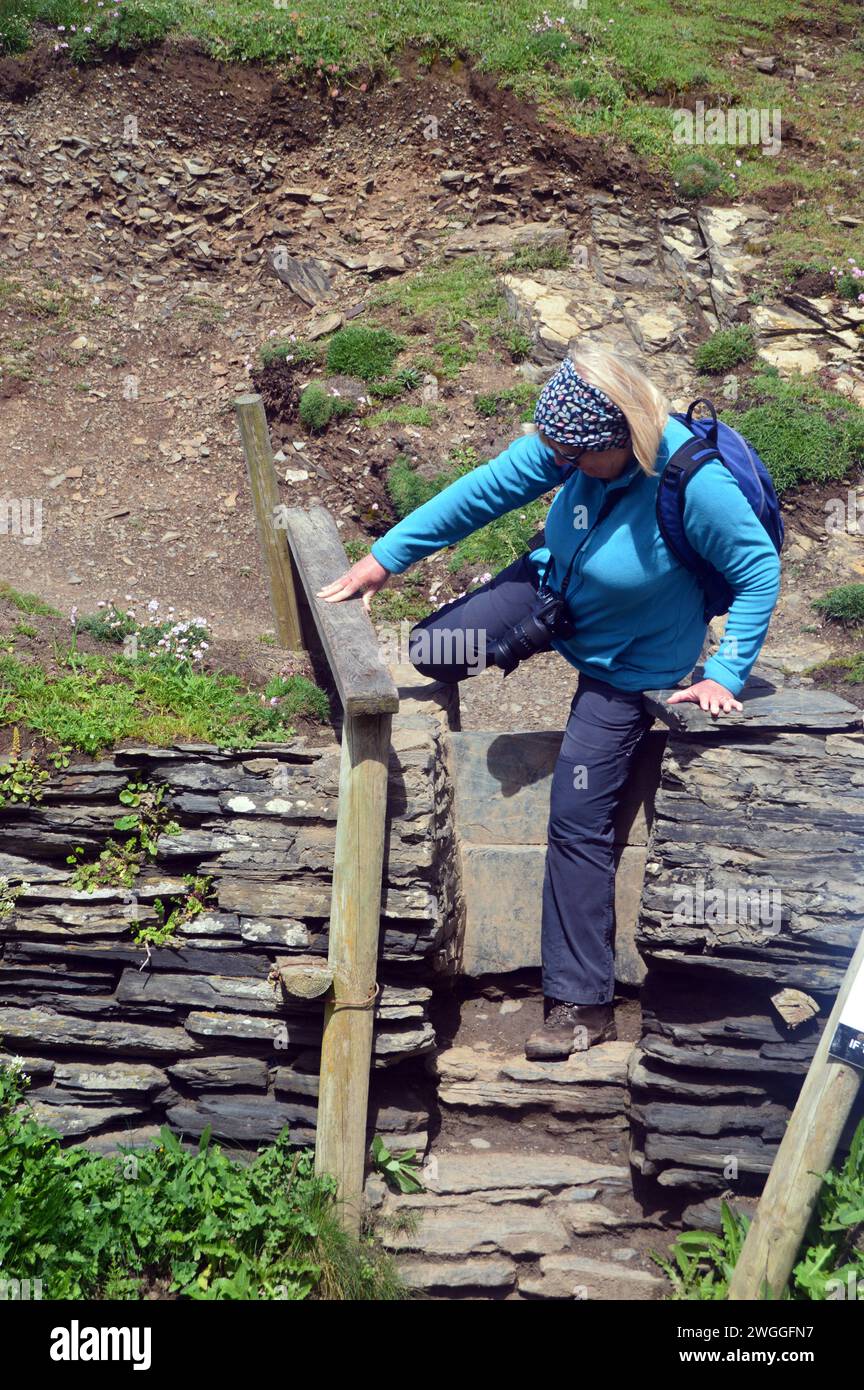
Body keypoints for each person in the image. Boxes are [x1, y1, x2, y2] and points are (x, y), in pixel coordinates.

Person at [317, 347, 781, 1059]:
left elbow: (757, 570)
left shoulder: (694, 483)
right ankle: (531, 636)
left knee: (576, 817)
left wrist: (723, 671)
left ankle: (579, 1005)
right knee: (436, 651)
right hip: (555, 594)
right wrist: (384, 558)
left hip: (630, 665)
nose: (558, 462)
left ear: (621, 438)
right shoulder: (571, 446)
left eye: (574, 454)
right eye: (555, 450)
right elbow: (479, 493)